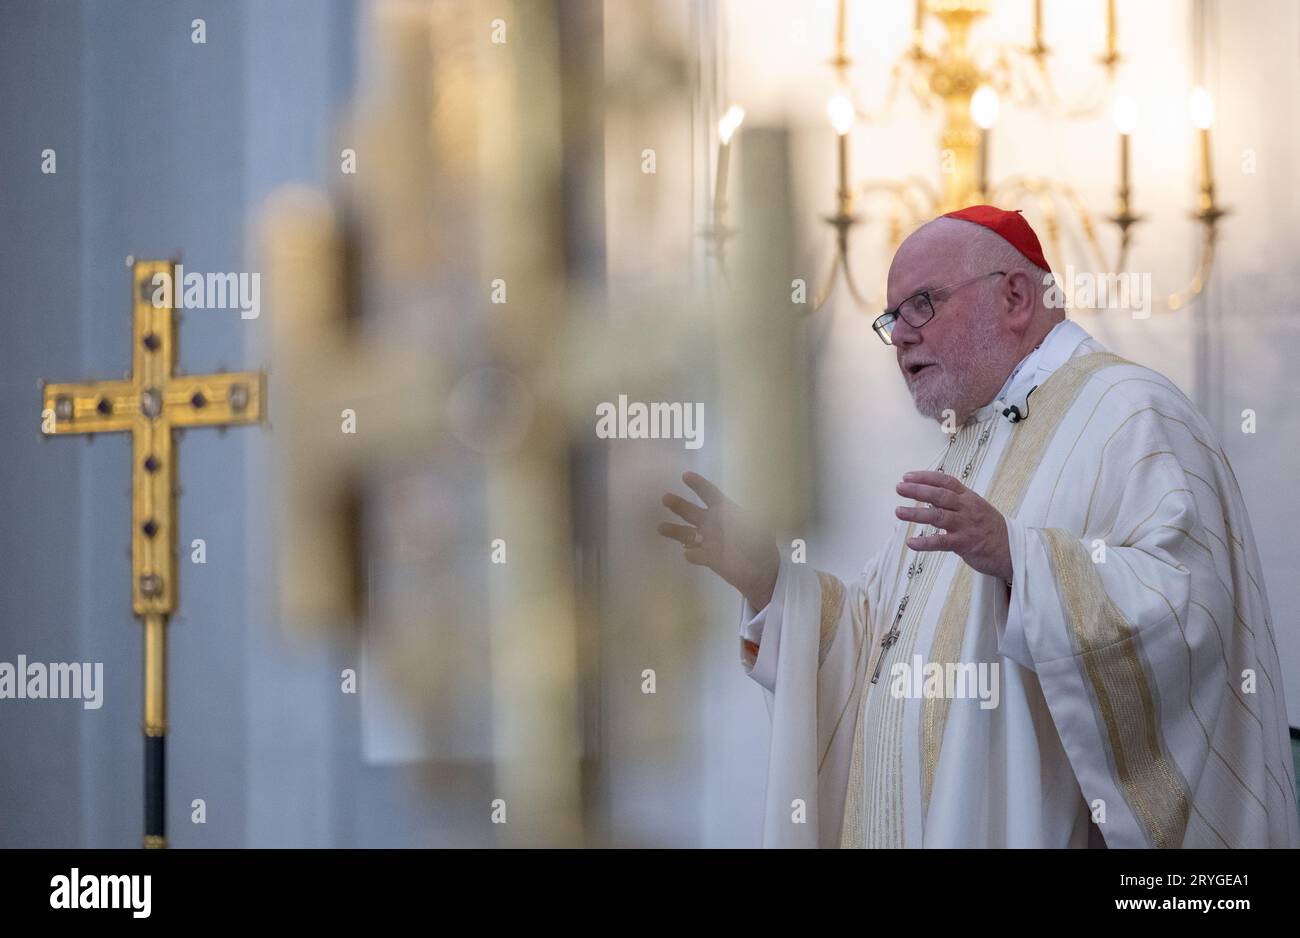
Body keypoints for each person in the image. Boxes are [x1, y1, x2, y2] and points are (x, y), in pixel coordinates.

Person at [659, 205, 1299, 848]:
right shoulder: (973, 442)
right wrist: (771, 582)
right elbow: (876, 648)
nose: (901, 336)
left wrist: (1022, 560)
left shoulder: (1132, 412)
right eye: (892, 318)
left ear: (1016, 296)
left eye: (922, 305)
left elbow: (1191, 612)